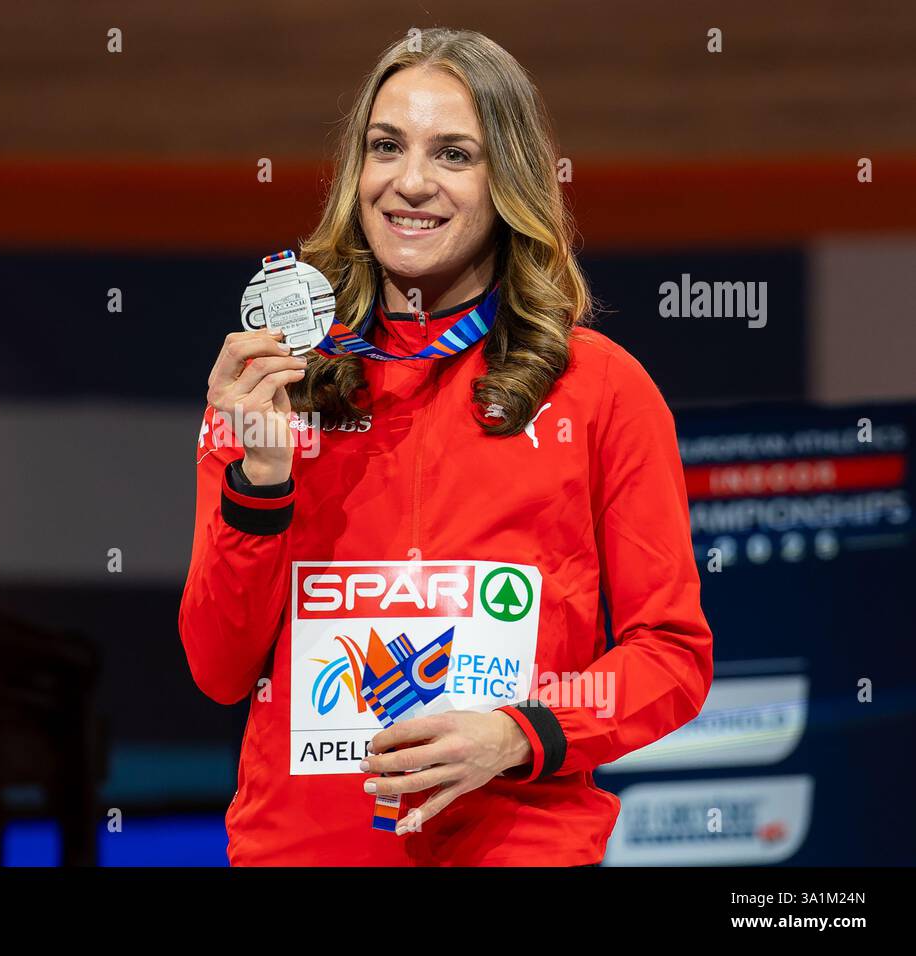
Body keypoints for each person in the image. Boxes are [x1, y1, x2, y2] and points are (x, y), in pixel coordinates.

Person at [178, 27, 713, 866]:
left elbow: (670, 658)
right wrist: (261, 479)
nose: (410, 182)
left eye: (454, 153)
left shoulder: (601, 388)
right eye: (385, 147)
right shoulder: (276, 382)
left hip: (517, 847)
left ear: (509, 181)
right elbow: (216, 667)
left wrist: (518, 733)